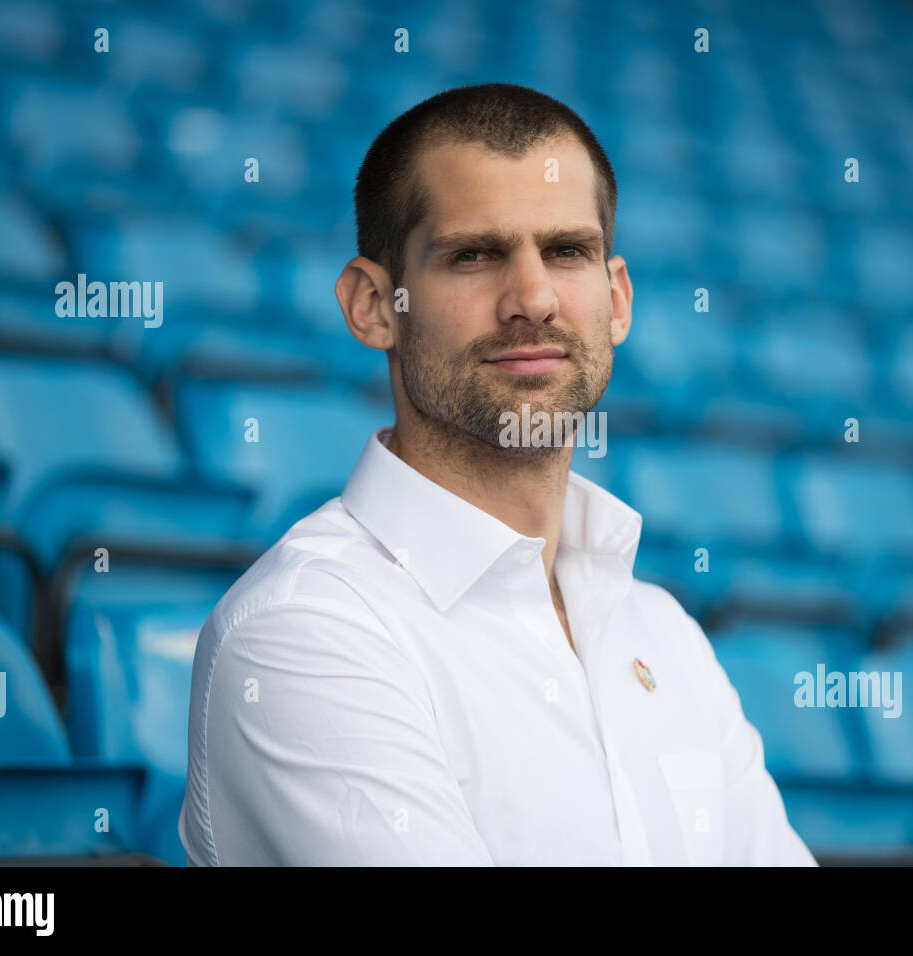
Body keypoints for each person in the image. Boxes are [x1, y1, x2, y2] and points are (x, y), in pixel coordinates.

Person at [179, 82, 816, 866]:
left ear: (616, 300)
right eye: (474, 255)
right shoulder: (304, 630)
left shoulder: (663, 635)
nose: (533, 300)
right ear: (374, 304)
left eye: (567, 251)